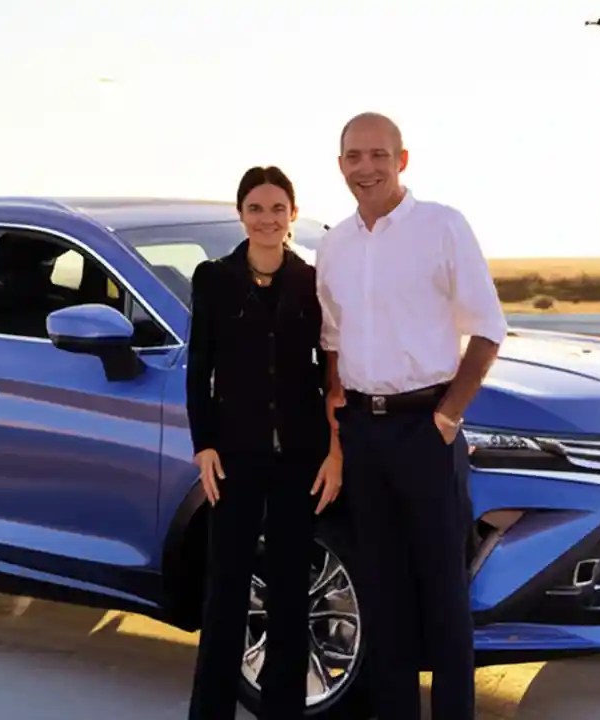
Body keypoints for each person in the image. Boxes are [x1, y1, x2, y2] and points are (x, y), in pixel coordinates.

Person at [316, 112, 507, 719]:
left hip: (426, 429)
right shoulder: (334, 244)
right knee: (383, 598)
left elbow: (488, 329)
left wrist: (448, 418)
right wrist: (336, 422)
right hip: (363, 437)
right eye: (353, 156)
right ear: (340, 164)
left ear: (402, 160)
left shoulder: (442, 227)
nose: (364, 167)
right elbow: (331, 341)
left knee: (445, 601)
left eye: (378, 155)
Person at [185, 165, 344, 720]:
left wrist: (333, 449)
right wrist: (204, 444)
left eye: (278, 209)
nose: (267, 219)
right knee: (225, 592)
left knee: (288, 597)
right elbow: (199, 367)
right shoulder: (212, 278)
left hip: (298, 458)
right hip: (233, 457)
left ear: (293, 215)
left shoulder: (311, 280)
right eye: (256, 208)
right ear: (241, 214)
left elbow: (331, 373)